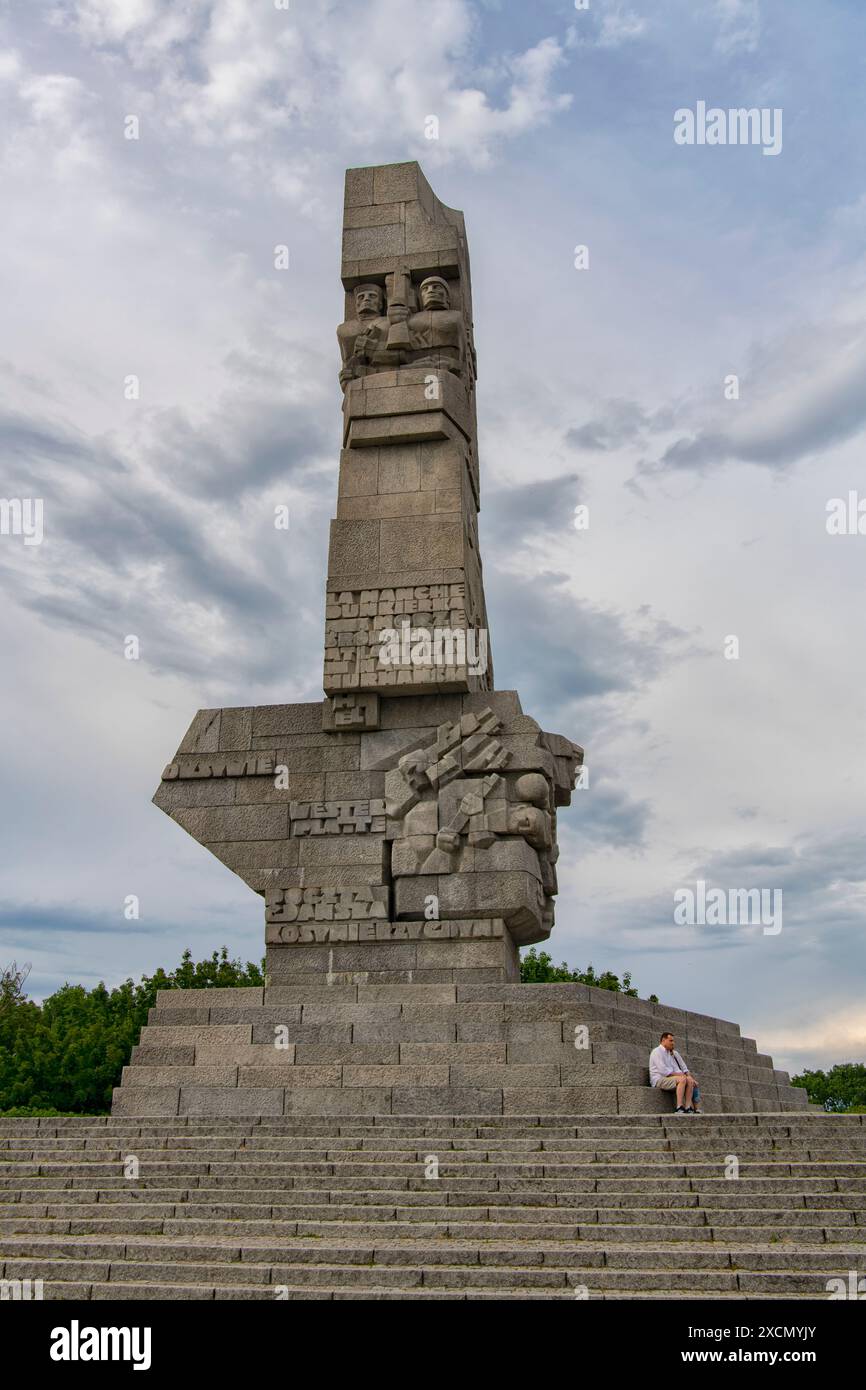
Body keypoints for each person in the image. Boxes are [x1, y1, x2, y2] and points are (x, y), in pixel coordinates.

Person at [649, 1031, 701, 1114]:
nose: (673, 1043)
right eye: (671, 1041)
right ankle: (679, 1107)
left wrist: (686, 1076)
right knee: (682, 1079)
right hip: (659, 1079)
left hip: (669, 1078)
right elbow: (664, 1071)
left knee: (689, 1080)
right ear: (663, 1040)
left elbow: (678, 1069)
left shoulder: (670, 1053)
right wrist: (682, 1076)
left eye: (673, 1041)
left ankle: (688, 1107)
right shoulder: (656, 1051)